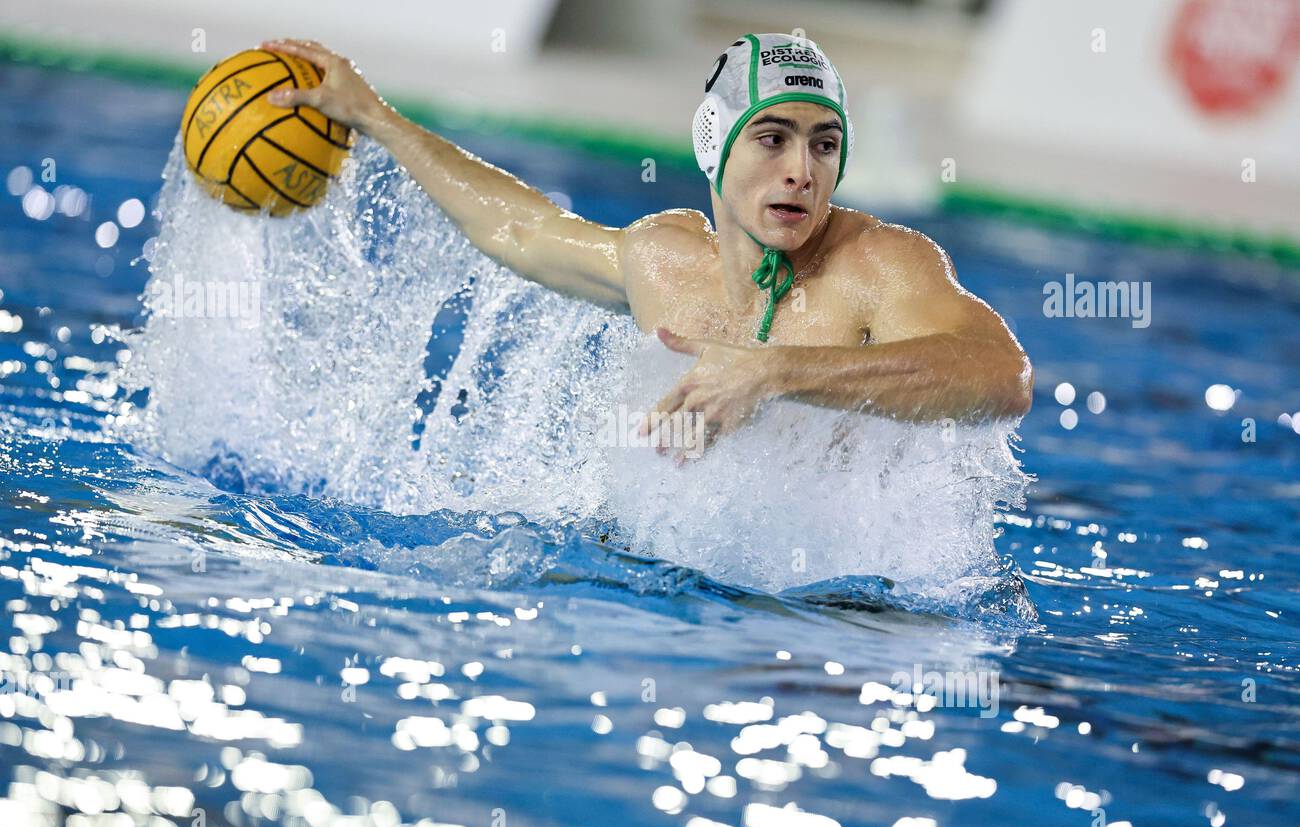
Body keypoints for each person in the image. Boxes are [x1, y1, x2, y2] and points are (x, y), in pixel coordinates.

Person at [259, 33, 1032, 456]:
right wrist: (375, 117)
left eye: (825, 146)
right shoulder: (665, 260)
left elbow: (1002, 377)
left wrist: (774, 372)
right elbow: (520, 227)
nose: (802, 171)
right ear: (714, 148)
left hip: (839, 621)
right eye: (772, 138)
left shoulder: (879, 266)